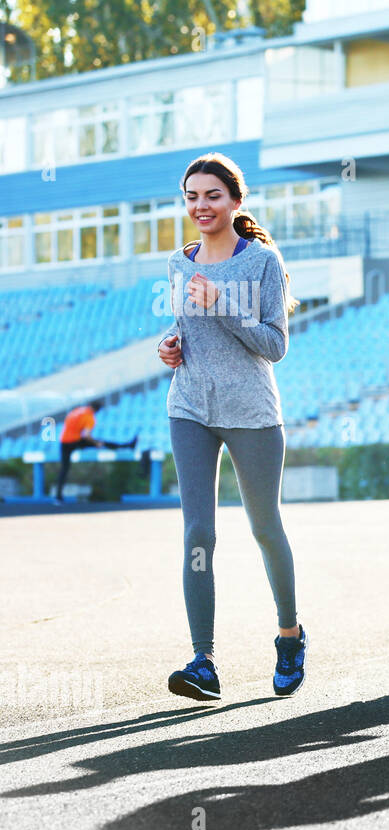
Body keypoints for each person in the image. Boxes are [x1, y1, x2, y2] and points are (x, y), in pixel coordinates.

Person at [156, 152, 305, 701]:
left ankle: (289, 637)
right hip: (190, 407)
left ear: (236, 202)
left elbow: (275, 345)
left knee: (265, 528)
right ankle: (203, 661)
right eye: (192, 196)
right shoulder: (179, 262)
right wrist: (169, 348)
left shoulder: (261, 261)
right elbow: (184, 331)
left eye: (212, 195)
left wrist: (222, 305)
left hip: (251, 413)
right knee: (199, 533)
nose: (201, 206)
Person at [54, 399, 138, 502]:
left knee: (64, 468)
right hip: (75, 440)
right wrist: (95, 443)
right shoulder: (89, 417)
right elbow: (86, 435)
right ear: (97, 410)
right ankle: (128, 446)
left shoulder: (78, 410)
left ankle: (58, 497)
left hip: (64, 441)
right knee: (102, 442)